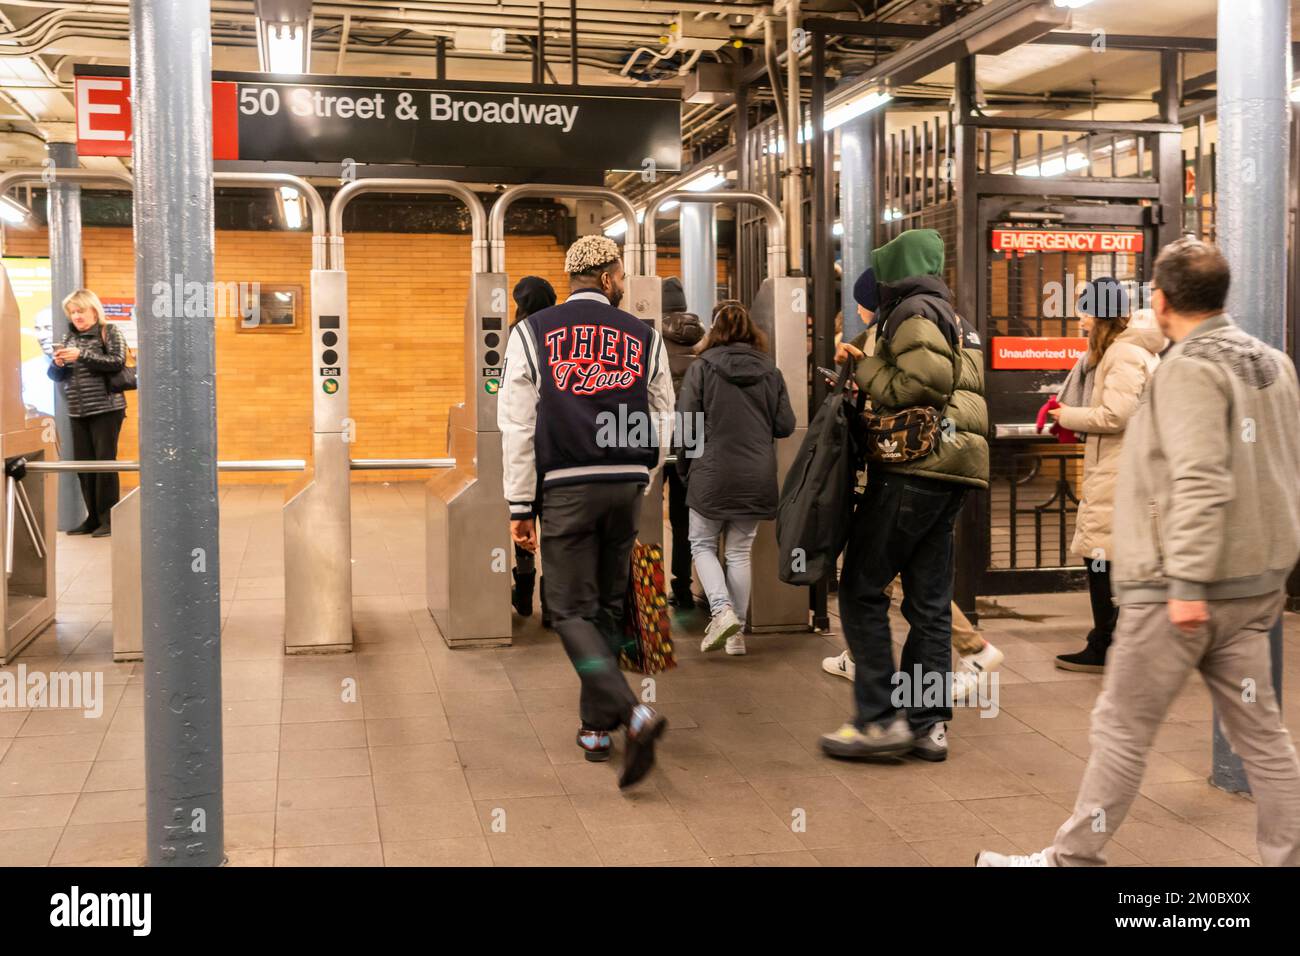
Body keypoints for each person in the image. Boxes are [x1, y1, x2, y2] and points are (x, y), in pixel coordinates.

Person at [978, 238, 1300, 867]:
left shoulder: (1189, 369)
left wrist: (1183, 583)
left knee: (1121, 729)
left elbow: (1201, 478)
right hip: (1255, 586)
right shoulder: (1274, 363)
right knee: (1265, 739)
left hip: (1184, 590)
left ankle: (1070, 860)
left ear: (1160, 298)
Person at [498, 234, 675, 788]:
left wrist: (520, 503)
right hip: (624, 485)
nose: (623, 283)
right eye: (621, 274)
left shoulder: (532, 332)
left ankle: (631, 713)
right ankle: (595, 728)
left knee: (568, 608)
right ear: (606, 278)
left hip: (567, 485)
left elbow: (518, 424)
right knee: (604, 603)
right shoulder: (644, 335)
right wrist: (645, 474)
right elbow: (664, 415)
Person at [818, 229, 989, 763]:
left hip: (914, 468)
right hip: (954, 472)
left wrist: (863, 365)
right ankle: (928, 724)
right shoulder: (957, 319)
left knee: (861, 588)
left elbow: (923, 383)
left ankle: (877, 720)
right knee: (929, 604)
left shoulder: (911, 311)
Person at [1049, 279, 1164, 673]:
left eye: (1084, 311)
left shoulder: (1124, 354)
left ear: (1098, 315)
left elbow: (1117, 415)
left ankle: (1106, 644)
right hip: (1122, 467)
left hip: (1120, 469)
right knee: (1111, 560)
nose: (1079, 319)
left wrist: (1067, 416)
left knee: (1100, 558)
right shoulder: (1126, 351)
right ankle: (1117, 641)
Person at [675, 299, 795, 656]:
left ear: (714, 331)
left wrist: (684, 469)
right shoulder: (771, 371)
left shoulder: (702, 368)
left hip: (712, 473)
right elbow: (785, 424)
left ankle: (721, 610)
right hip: (756, 473)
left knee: (702, 544)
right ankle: (737, 636)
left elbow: (687, 427)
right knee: (740, 552)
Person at [47, 289, 127, 538]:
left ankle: (109, 519)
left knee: (104, 464)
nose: (76, 316)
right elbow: (54, 376)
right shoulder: (68, 337)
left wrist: (82, 355)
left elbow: (118, 361)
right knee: (84, 466)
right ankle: (92, 518)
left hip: (107, 408)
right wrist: (57, 364)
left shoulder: (109, 331)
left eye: (80, 310)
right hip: (78, 411)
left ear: (93, 309)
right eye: (72, 312)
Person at [506, 275, 557, 624]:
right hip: (560, 449)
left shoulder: (516, 336)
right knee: (554, 531)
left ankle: (523, 595)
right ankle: (552, 607)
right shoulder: (561, 336)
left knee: (524, 523)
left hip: (527, 447)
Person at [659, 276, 704, 608]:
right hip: (692, 435)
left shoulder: (651, 339)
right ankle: (683, 586)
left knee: (643, 513)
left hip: (651, 432)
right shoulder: (700, 342)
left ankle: (643, 587)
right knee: (682, 517)